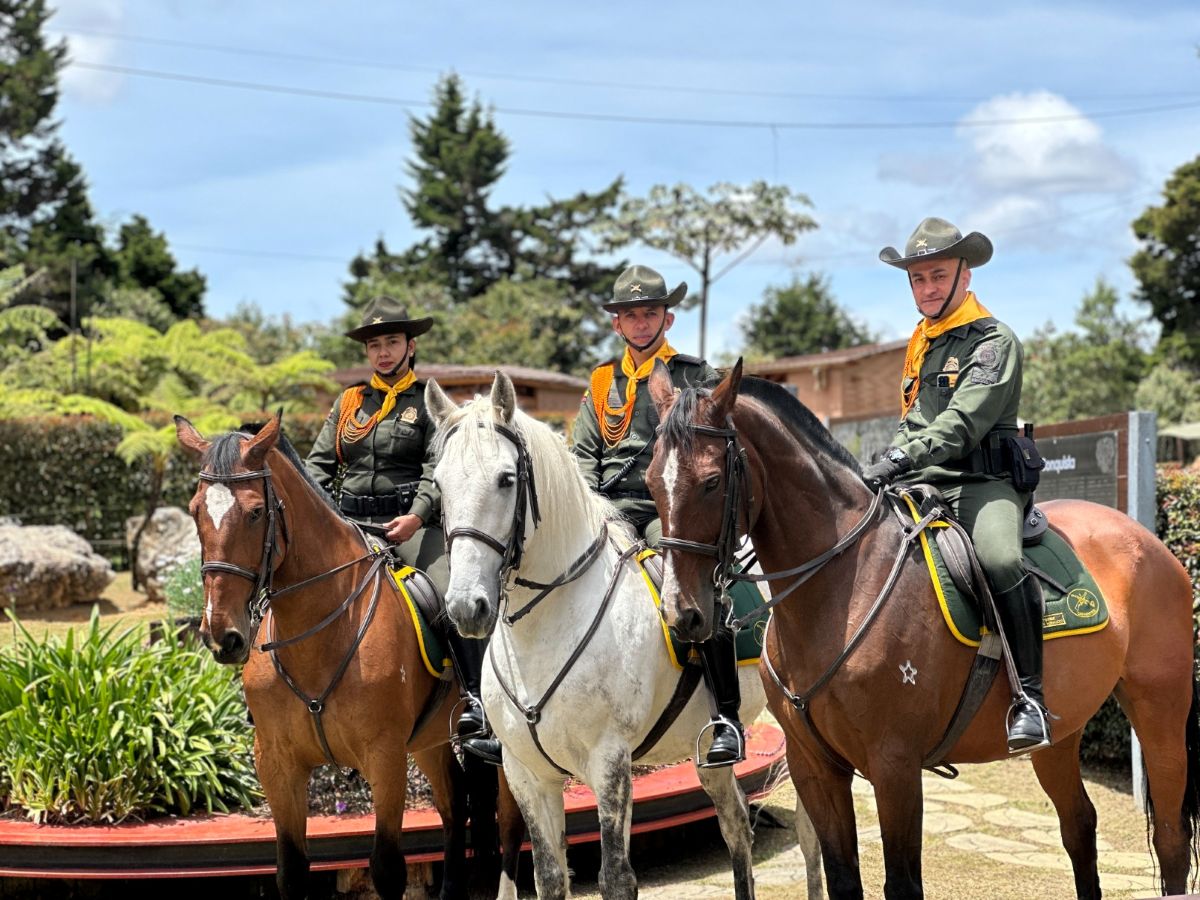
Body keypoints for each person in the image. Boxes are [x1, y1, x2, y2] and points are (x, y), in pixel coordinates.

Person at [864, 217, 1051, 753]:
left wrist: (901, 456)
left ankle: (1030, 699)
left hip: (984, 481)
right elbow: (913, 416)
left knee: (998, 559)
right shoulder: (922, 341)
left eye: (938, 276)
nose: (927, 288)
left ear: (965, 276)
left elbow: (961, 424)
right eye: (918, 279)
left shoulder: (993, 341)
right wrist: (892, 454)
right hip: (924, 480)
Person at [305, 296, 496, 762]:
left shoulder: (428, 401)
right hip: (349, 523)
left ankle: (476, 701)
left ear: (411, 346)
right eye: (375, 345)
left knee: (450, 594)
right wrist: (321, 514)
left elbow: (437, 468)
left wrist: (418, 513)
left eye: (392, 342)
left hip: (409, 526)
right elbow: (316, 466)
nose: (383, 352)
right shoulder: (349, 402)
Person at [572, 264, 746, 767]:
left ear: (667, 320)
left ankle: (726, 718)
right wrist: (590, 508)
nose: (641, 323)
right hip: (606, 506)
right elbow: (584, 454)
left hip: (666, 509)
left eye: (650, 313)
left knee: (694, 586)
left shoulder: (695, 376)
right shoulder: (603, 380)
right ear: (617, 325)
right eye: (631, 316)